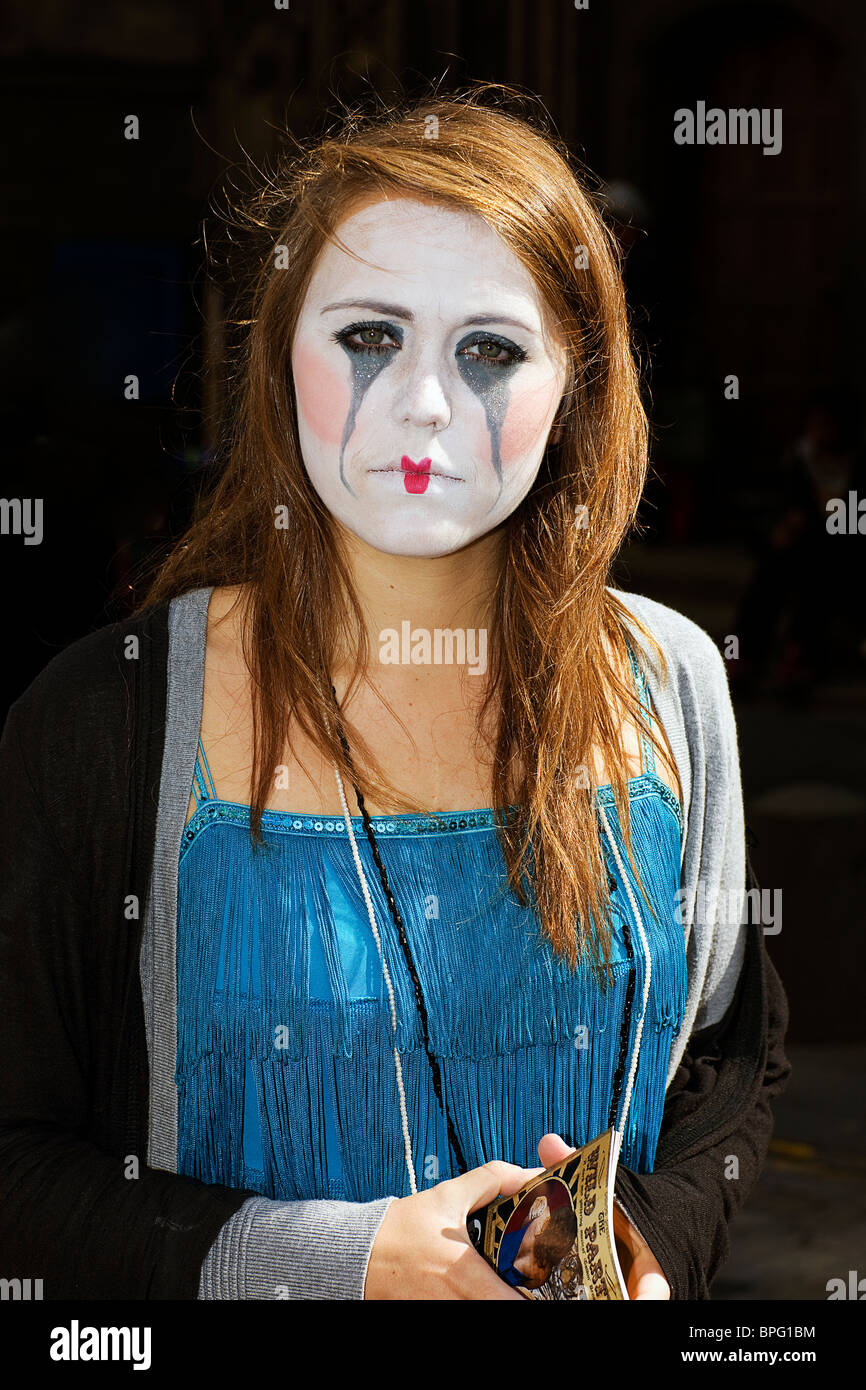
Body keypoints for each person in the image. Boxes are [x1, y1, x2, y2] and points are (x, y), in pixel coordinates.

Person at [0, 84, 790, 1301]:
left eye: (490, 351)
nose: (423, 403)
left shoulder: (674, 683)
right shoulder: (104, 719)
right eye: (368, 336)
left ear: (576, 386)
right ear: (279, 359)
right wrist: (331, 1262)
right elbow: (20, 1160)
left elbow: (728, 1071)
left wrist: (646, 1248)